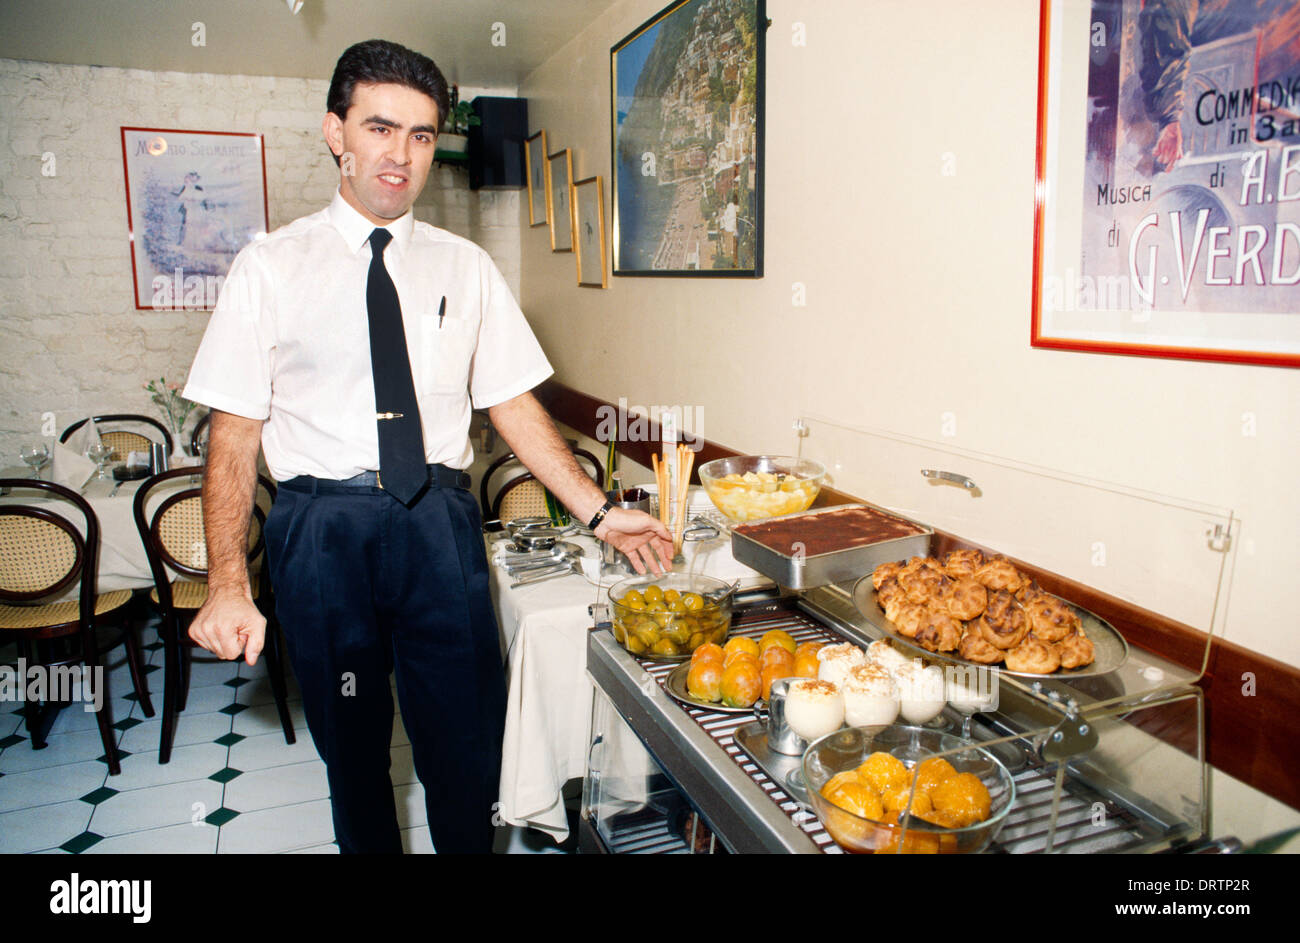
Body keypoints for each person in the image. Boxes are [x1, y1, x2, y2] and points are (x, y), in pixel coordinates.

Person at [182, 39, 673, 854]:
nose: (400, 155)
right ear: (336, 132)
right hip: (321, 529)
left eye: (420, 135)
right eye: (380, 128)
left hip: (439, 525)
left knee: (465, 747)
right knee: (356, 754)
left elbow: (512, 403)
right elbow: (233, 436)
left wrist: (599, 510)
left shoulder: (467, 266)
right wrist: (228, 583)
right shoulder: (268, 268)